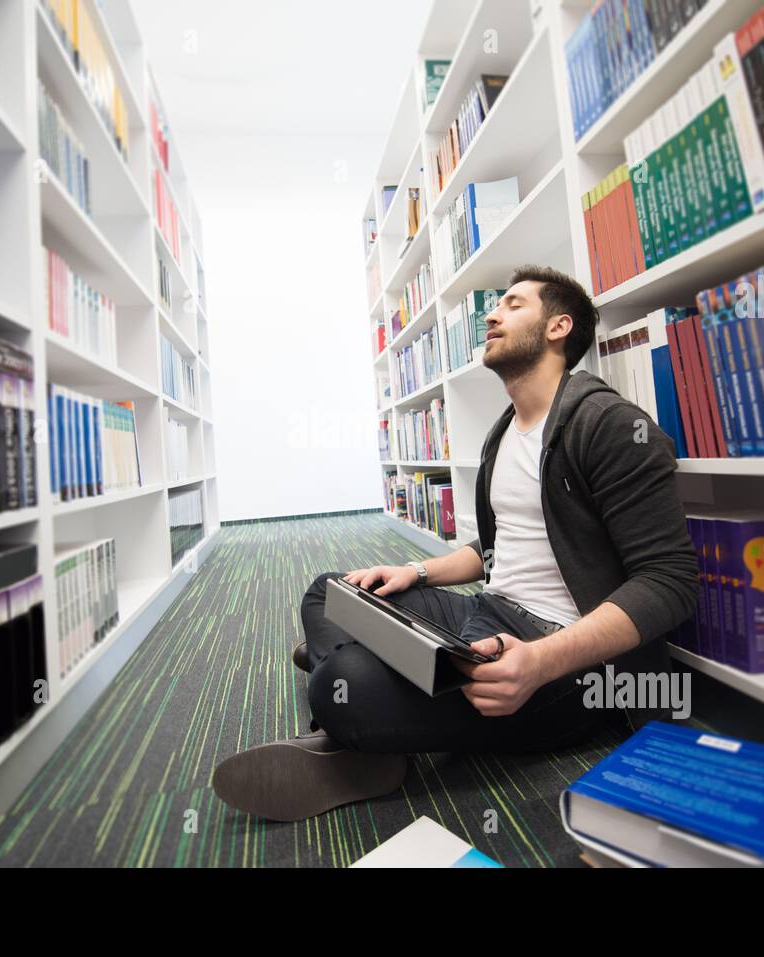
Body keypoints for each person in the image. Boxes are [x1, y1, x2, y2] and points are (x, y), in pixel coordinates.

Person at [212, 265, 699, 822]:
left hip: (564, 667)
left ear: (559, 326)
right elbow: (491, 548)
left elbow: (671, 582)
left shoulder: (608, 425)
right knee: (331, 592)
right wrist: (414, 573)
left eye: (514, 305)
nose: (492, 314)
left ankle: (358, 724)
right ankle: (370, 733)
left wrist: (539, 662)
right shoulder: (505, 431)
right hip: (486, 617)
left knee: (340, 682)